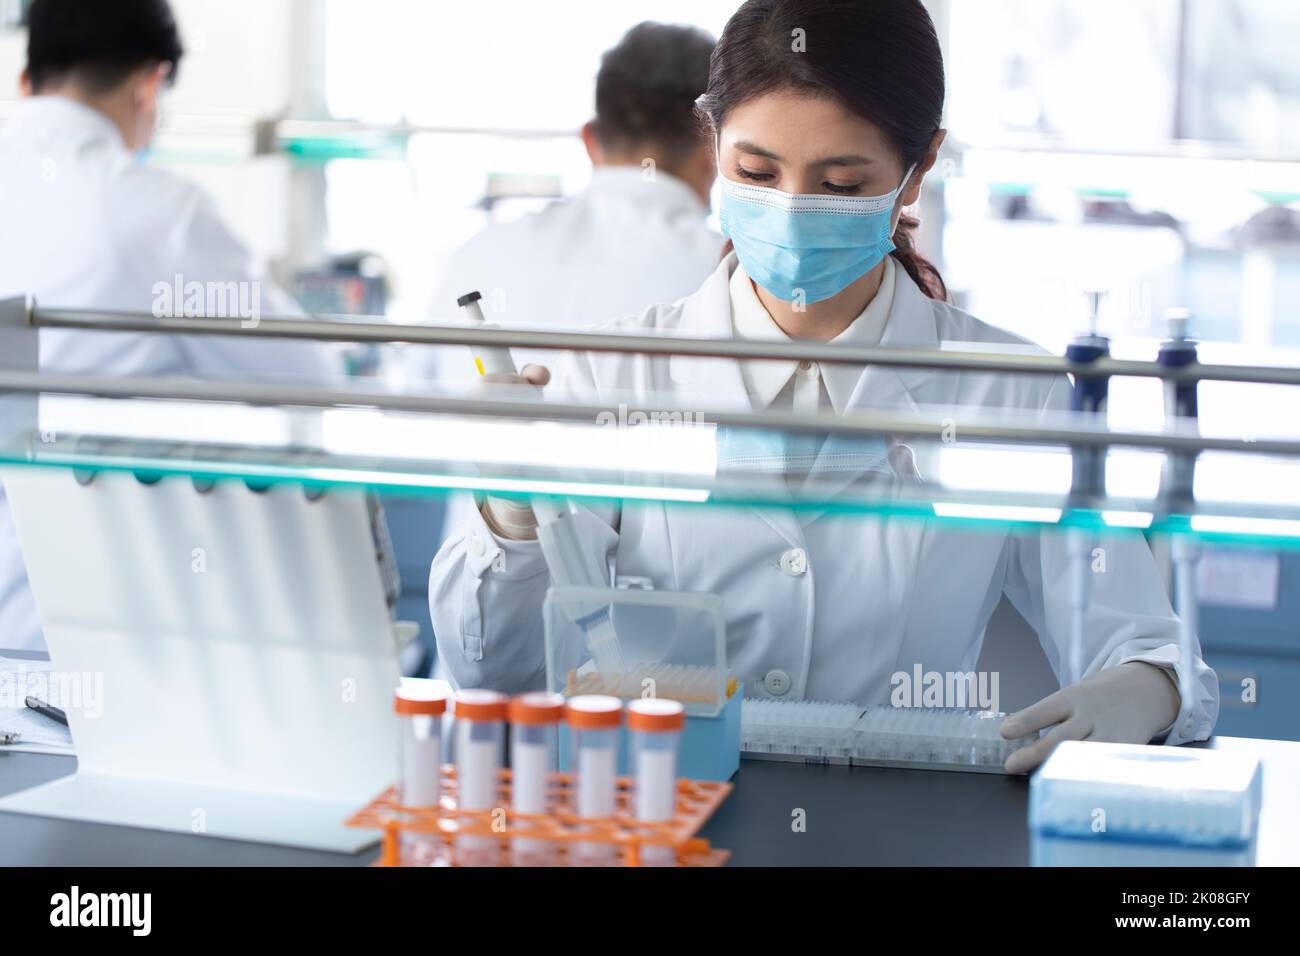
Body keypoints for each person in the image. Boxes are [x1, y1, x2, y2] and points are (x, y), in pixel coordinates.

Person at [428, 0, 1218, 772]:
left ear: (918, 172)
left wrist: (1148, 689)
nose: (793, 209)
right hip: (665, 815)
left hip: (899, 823)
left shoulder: (1009, 393)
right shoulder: (611, 373)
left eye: (840, 183)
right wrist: (511, 516)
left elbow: (1146, 644)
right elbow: (497, 680)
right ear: (713, 145)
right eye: (756, 171)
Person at [0, 0, 339, 652]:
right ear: (148, 83)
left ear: (27, 80)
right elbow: (310, 382)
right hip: (80, 628)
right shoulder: (153, 211)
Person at [410, 21, 723, 379]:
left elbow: (412, 394)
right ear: (717, 148)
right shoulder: (733, 280)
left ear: (590, 140)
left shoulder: (479, 253)